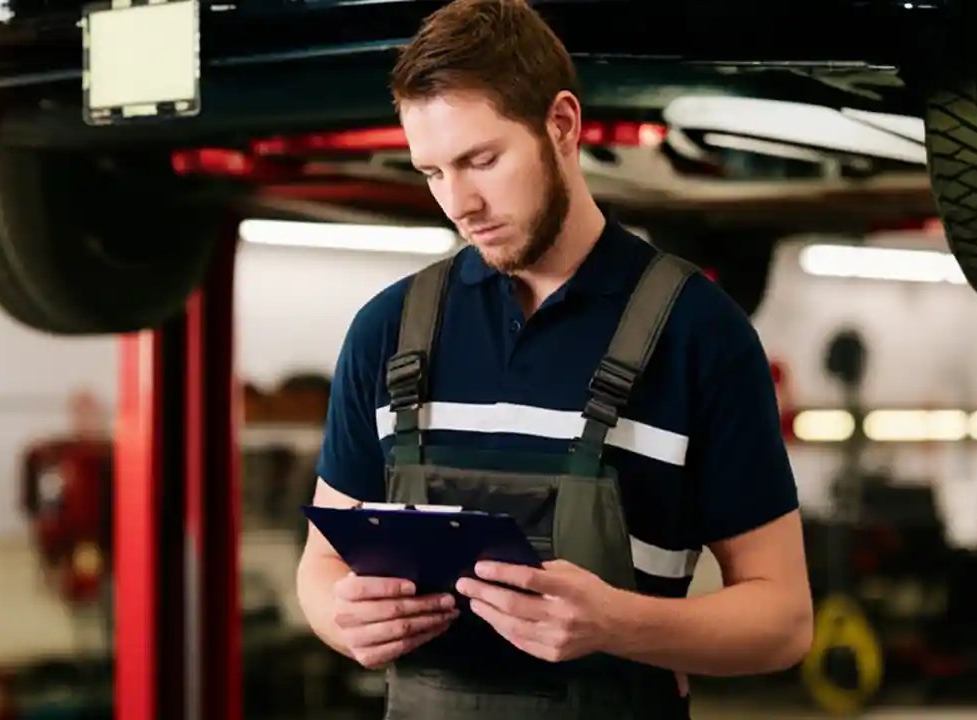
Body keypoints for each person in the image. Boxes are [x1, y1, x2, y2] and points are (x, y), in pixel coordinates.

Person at [294, 0, 813, 717]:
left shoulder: (700, 333)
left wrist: (618, 624)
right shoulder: (387, 331)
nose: (459, 203)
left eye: (482, 160)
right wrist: (342, 617)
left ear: (562, 125)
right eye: (433, 172)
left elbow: (783, 622)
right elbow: (321, 567)